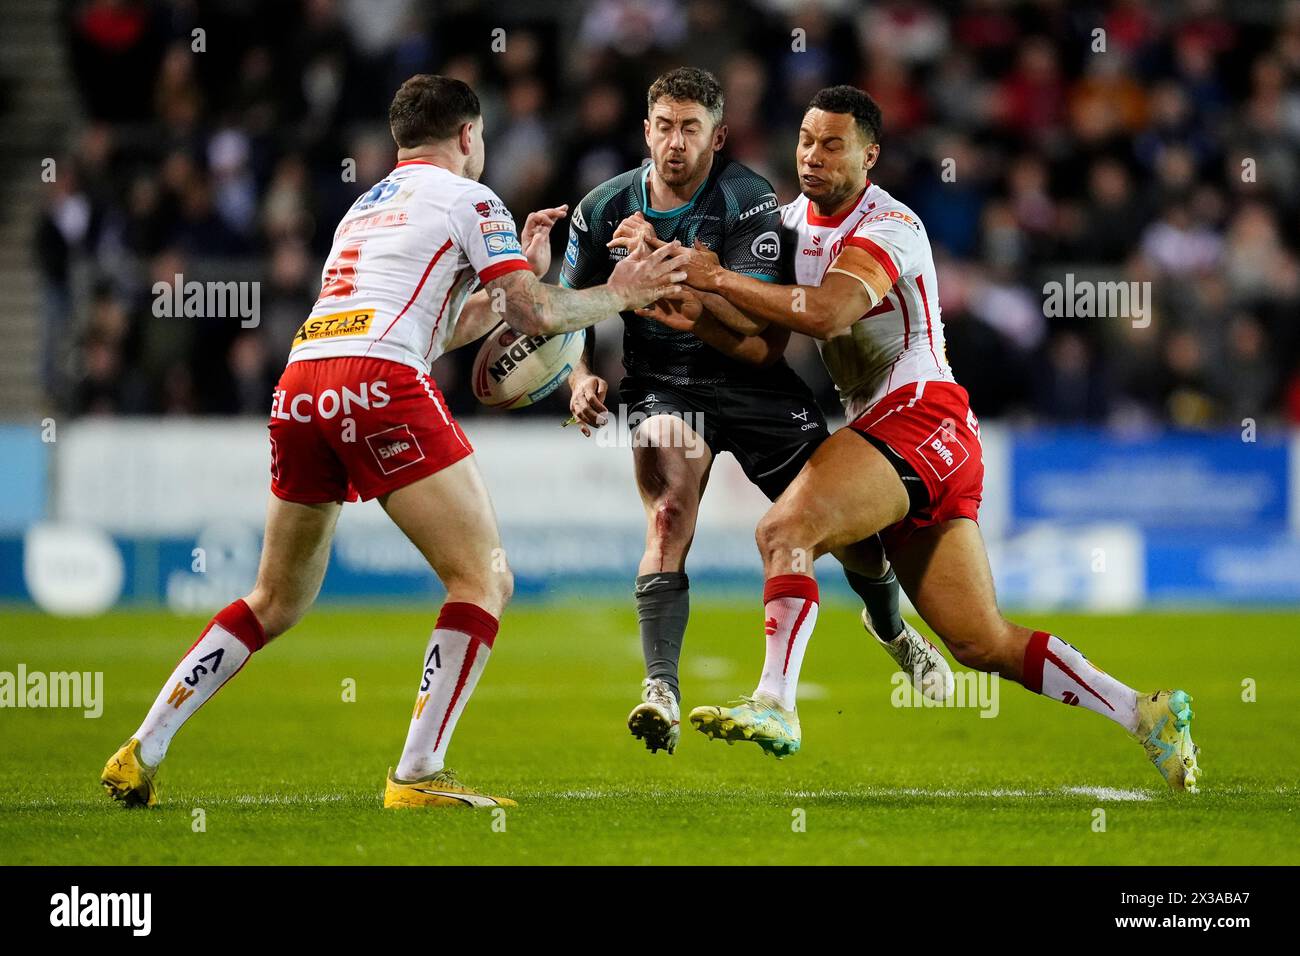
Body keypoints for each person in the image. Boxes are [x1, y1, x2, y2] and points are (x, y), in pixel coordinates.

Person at [100, 74, 687, 810]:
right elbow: (533, 318)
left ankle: (141, 749)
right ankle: (416, 775)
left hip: (302, 383)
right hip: (378, 384)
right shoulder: (473, 199)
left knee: (274, 598)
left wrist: (520, 280)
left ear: (399, 141)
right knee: (484, 580)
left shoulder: (363, 208)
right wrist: (623, 292)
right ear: (470, 136)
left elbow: (434, 328)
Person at [663, 86, 1199, 791]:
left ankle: (777, 702)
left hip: (920, 413)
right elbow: (764, 346)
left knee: (784, 530)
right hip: (915, 437)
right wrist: (689, 308)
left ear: (870, 155)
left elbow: (825, 316)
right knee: (981, 642)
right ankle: (1144, 712)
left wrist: (718, 277)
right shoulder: (786, 226)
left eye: (833, 144)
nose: (812, 156)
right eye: (805, 139)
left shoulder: (892, 225)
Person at [561, 67, 949, 757]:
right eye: (663, 126)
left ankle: (889, 626)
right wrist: (580, 376)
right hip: (662, 384)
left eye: (690, 128)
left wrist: (677, 276)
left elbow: (761, 344)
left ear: (718, 136)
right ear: (644, 130)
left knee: (849, 539)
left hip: (754, 383)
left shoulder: (750, 202)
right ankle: (660, 690)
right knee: (669, 508)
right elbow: (569, 312)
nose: (675, 143)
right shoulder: (599, 208)